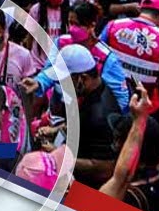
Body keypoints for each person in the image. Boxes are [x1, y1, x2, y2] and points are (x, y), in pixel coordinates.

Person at [41, 44, 122, 187]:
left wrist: (59, 155)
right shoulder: (95, 92)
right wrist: (57, 129)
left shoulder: (99, 116)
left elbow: (105, 168)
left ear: (82, 79)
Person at [102, 0, 159, 117]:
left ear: (140, 10)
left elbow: (97, 55)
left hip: (108, 100)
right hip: (139, 108)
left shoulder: (113, 26)